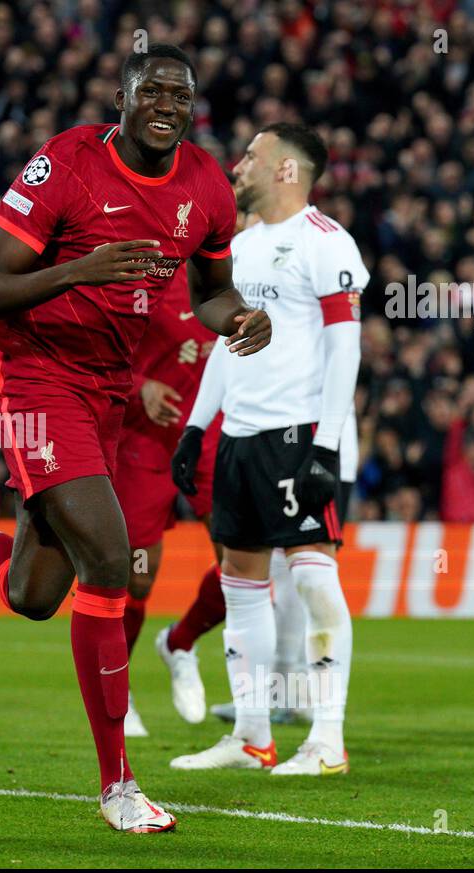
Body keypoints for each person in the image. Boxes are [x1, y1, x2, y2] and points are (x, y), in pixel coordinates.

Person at [0, 45, 271, 832]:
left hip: (107, 388)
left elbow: (211, 291)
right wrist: (83, 270)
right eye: (152, 90)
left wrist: (240, 317)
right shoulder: (67, 163)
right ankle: (117, 785)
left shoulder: (206, 186)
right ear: (122, 98)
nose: (166, 103)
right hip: (33, 374)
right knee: (109, 557)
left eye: (181, 93)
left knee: (33, 593)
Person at [168, 122, 366, 776]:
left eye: (253, 155)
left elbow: (346, 346)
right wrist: (198, 427)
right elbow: (230, 344)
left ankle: (327, 741)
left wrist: (328, 447)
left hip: (301, 434)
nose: (240, 163)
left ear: (286, 170)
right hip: (240, 439)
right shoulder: (238, 250)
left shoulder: (326, 243)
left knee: (312, 577)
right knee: (243, 587)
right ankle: (252, 736)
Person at [108, 263, 219, 737]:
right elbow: (103, 350)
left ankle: (180, 641)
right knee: (137, 575)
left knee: (246, 563)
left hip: (215, 430)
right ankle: (119, 687)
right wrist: (142, 387)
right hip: (147, 437)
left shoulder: (244, 273)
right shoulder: (149, 279)